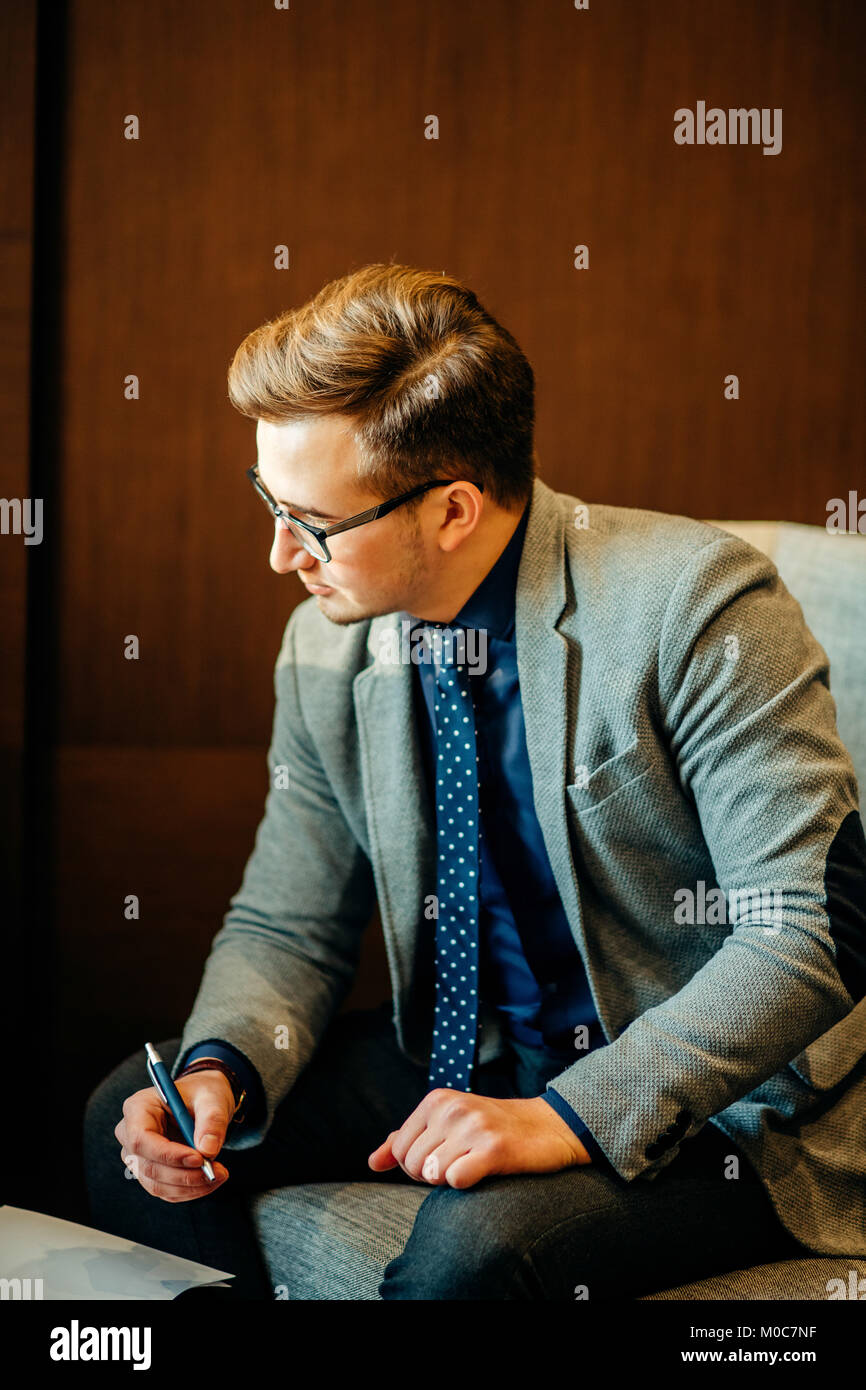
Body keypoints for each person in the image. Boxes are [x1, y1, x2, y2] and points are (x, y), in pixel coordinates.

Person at [84, 263, 866, 1300]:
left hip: (722, 1096)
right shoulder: (325, 650)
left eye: (312, 522)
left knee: (471, 1253)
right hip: (470, 1047)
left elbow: (806, 926)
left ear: (450, 511)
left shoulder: (697, 605)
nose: (280, 556)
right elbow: (289, 925)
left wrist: (564, 1115)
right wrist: (220, 1067)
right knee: (128, 1119)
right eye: (266, 500)